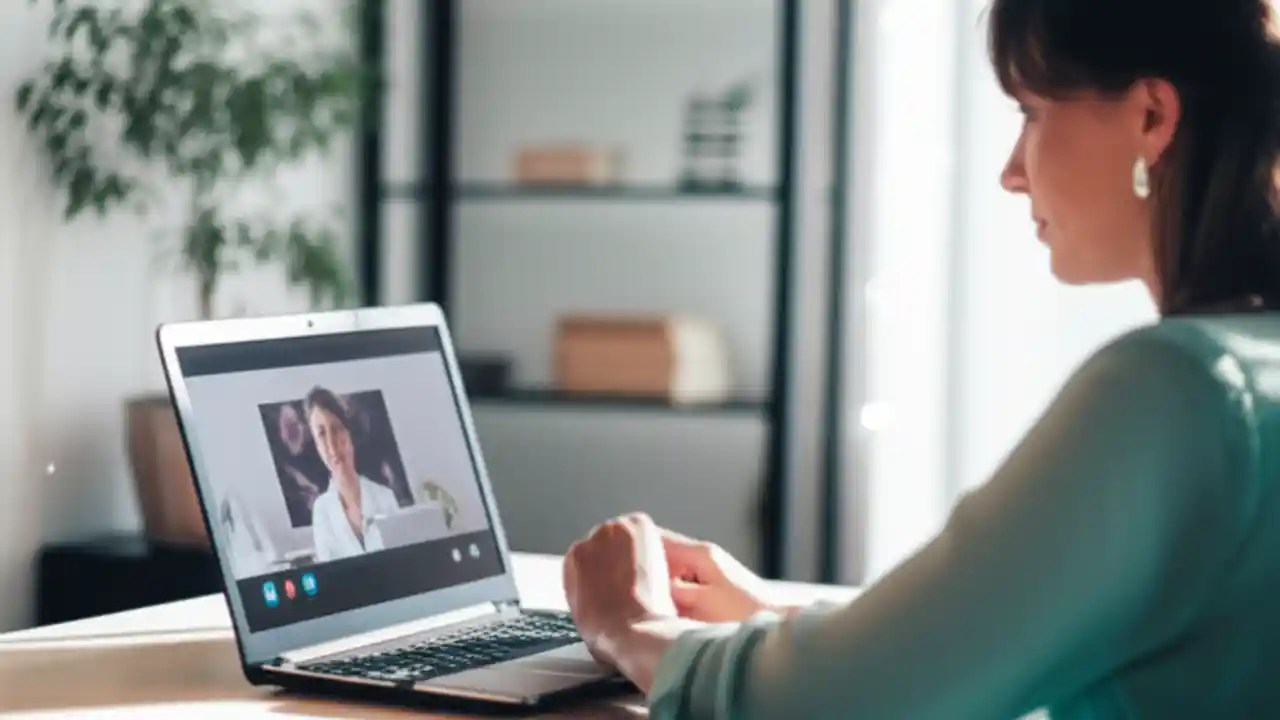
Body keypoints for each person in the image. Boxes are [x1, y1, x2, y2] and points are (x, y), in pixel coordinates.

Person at [562, 0, 1280, 717]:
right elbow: (986, 651)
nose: (1011, 172)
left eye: (1030, 112)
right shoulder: (1250, 375)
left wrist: (630, 627)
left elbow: (841, 707)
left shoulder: (1180, 390)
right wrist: (785, 624)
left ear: (1152, 117)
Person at [305, 386, 401, 562]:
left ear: (349, 434)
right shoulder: (322, 510)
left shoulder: (385, 497)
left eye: (336, 429)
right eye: (321, 434)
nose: (332, 446)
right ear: (316, 446)